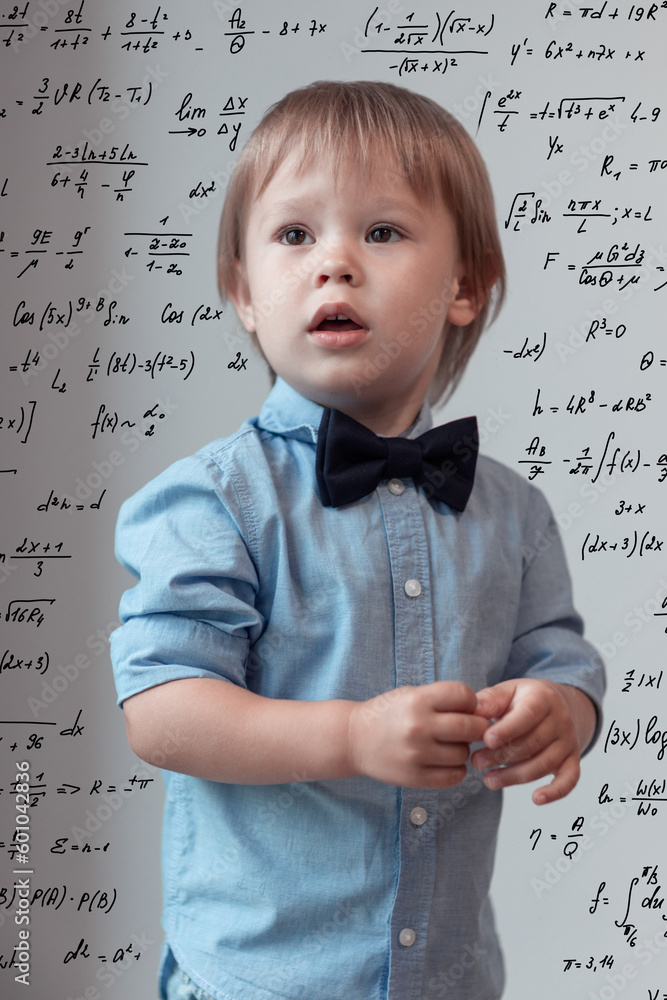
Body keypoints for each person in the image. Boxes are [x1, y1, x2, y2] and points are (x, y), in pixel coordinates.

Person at [110, 80, 605, 1000]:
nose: (333, 263)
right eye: (295, 236)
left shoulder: (513, 513)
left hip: (448, 980)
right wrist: (348, 736)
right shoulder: (211, 502)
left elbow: (560, 655)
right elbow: (162, 712)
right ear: (243, 293)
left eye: (381, 232)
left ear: (465, 286)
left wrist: (556, 712)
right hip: (255, 982)